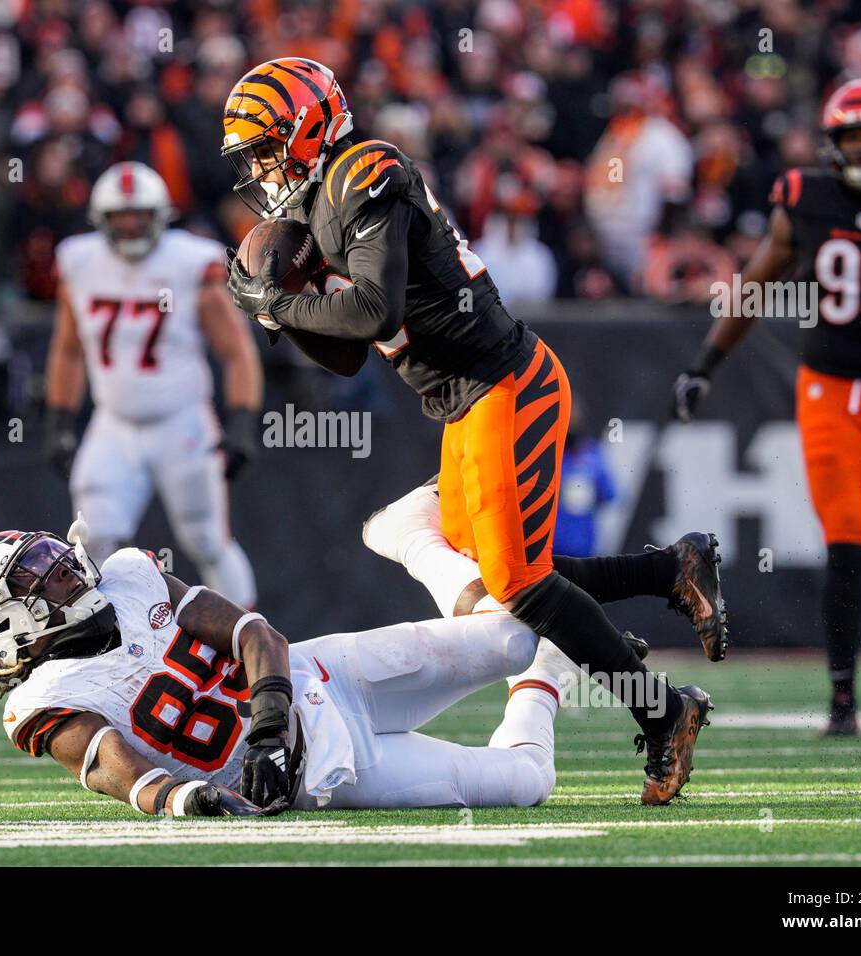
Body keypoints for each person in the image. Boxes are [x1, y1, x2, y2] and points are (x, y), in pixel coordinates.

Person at [218, 57, 716, 803]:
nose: (260, 168)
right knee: (496, 566)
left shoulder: (364, 171)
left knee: (517, 582)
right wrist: (274, 306)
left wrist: (283, 305)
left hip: (505, 385)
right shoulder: (325, 197)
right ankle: (667, 572)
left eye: (266, 146)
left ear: (308, 127)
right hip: (465, 399)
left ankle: (661, 710)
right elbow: (350, 354)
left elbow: (377, 313)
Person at [669, 79, 861, 735]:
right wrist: (703, 366)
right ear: (833, 144)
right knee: (845, 543)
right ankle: (842, 701)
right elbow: (753, 287)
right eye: (851, 136)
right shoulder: (804, 199)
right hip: (829, 390)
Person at [0, 516, 563, 814]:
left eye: (49, 557)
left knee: (512, 637)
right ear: (7, 624)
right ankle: (547, 683)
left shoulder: (131, 579)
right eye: (35, 575)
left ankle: (415, 540)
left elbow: (252, 632)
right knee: (527, 782)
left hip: (318, 678)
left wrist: (269, 725)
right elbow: (122, 771)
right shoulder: (43, 702)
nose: (60, 568)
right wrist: (184, 799)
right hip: (319, 774)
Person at [43, 161, 261, 607]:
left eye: (139, 216)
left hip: (182, 422)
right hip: (114, 424)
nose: (129, 227)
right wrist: (60, 419)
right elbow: (68, 350)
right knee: (92, 541)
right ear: (100, 223)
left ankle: (246, 651)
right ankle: (104, 654)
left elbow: (237, 351)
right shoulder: (80, 262)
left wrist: (240, 422)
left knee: (207, 540)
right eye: (119, 218)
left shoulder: (189, 261)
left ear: (160, 215)